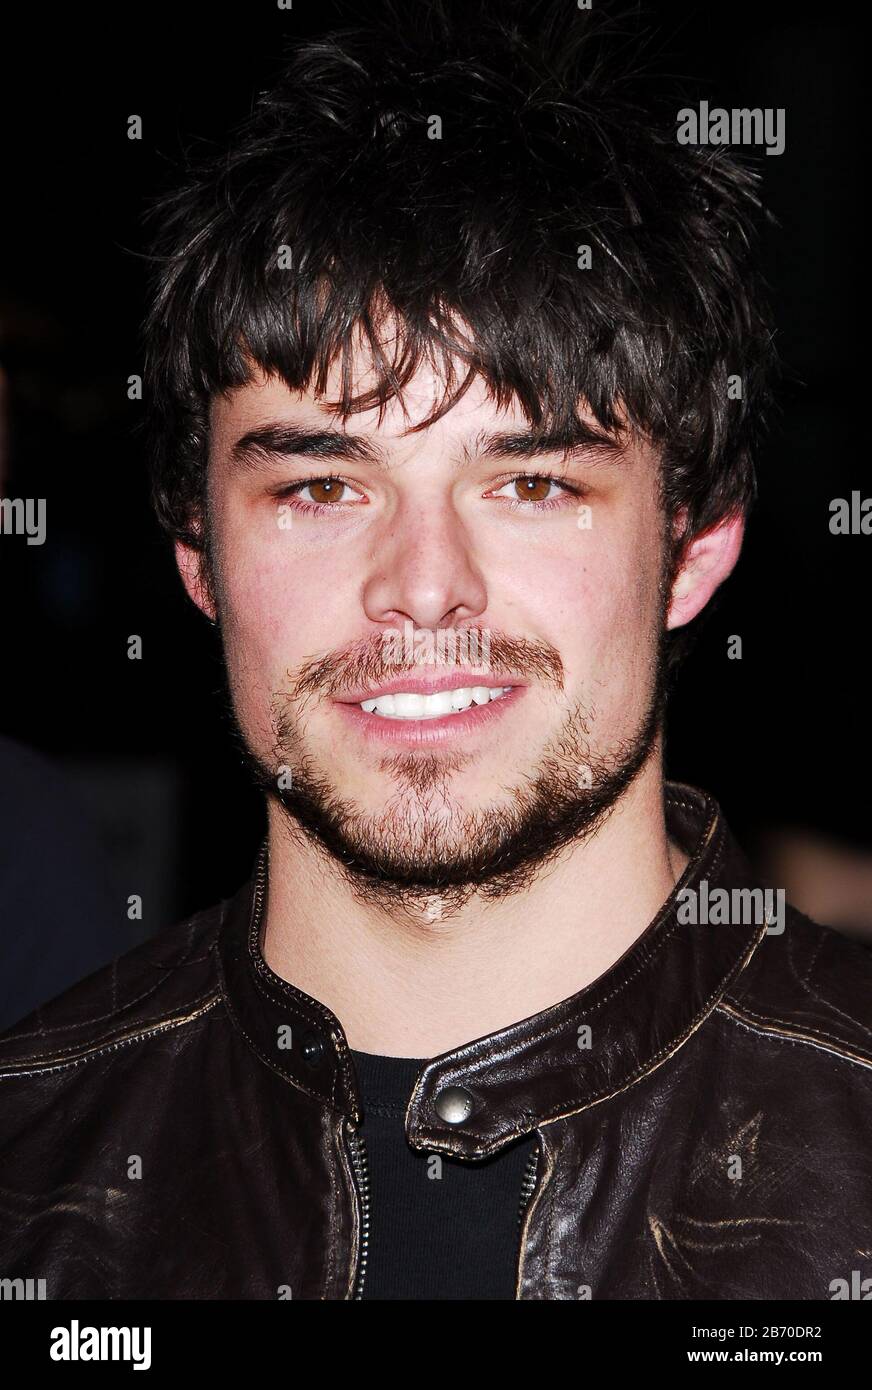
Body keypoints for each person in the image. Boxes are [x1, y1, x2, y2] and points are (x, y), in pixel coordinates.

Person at [1, 0, 870, 1301]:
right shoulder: (29, 1173)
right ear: (198, 557)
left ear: (697, 545)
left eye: (530, 486)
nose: (421, 587)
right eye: (321, 488)